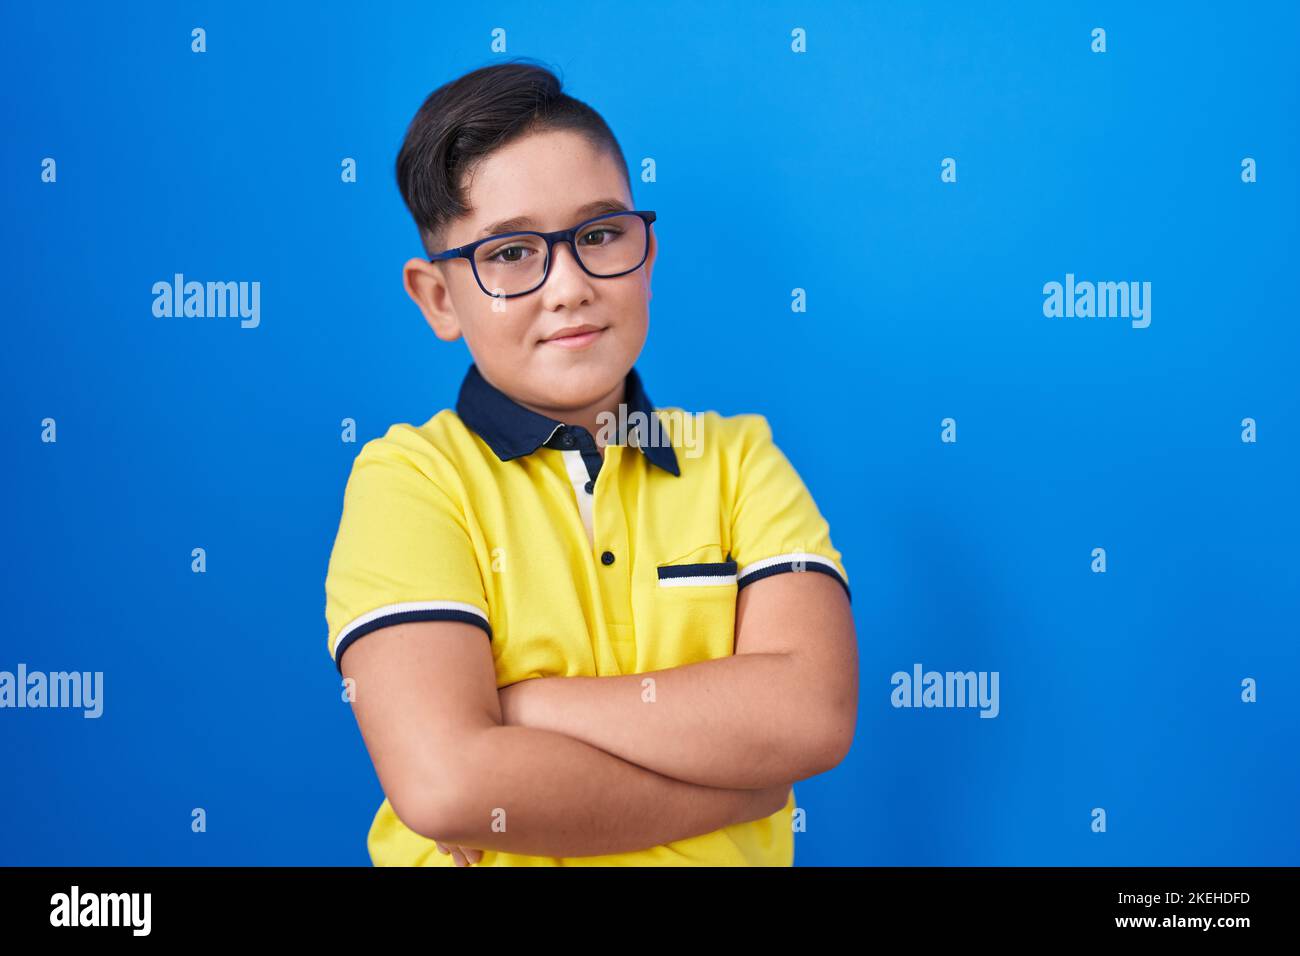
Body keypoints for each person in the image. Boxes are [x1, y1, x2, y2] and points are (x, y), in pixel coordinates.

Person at [323, 58, 857, 866]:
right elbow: (447, 787)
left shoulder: (739, 459)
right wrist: (748, 785)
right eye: (510, 253)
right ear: (438, 298)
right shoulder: (411, 482)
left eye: (600, 234)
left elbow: (810, 716)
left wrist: (523, 708)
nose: (568, 285)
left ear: (646, 254)